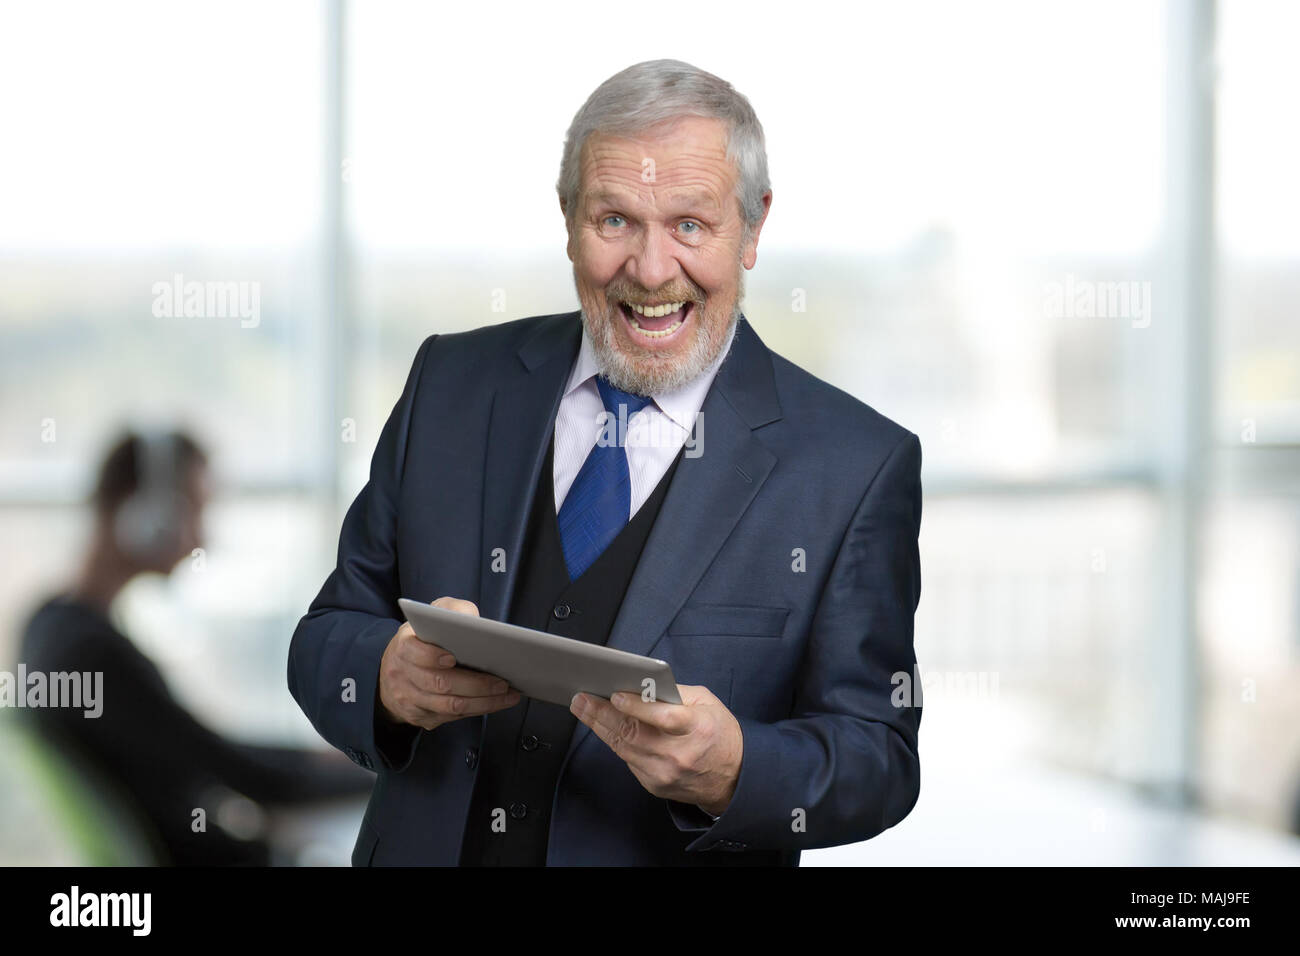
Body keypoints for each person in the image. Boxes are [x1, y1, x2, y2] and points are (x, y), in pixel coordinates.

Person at [289, 59, 923, 866]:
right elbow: (324, 637)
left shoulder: (854, 465)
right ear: (566, 219)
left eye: (690, 225)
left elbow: (880, 757)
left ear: (754, 227)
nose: (651, 270)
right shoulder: (449, 385)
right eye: (614, 220)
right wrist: (382, 676)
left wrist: (737, 768)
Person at [19, 428, 372, 866]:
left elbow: (201, 749)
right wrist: (377, 769)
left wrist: (323, 759)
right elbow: (238, 770)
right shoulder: (90, 653)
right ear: (141, 511)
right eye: (193, 509)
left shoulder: (48, 624)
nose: (202, 539)